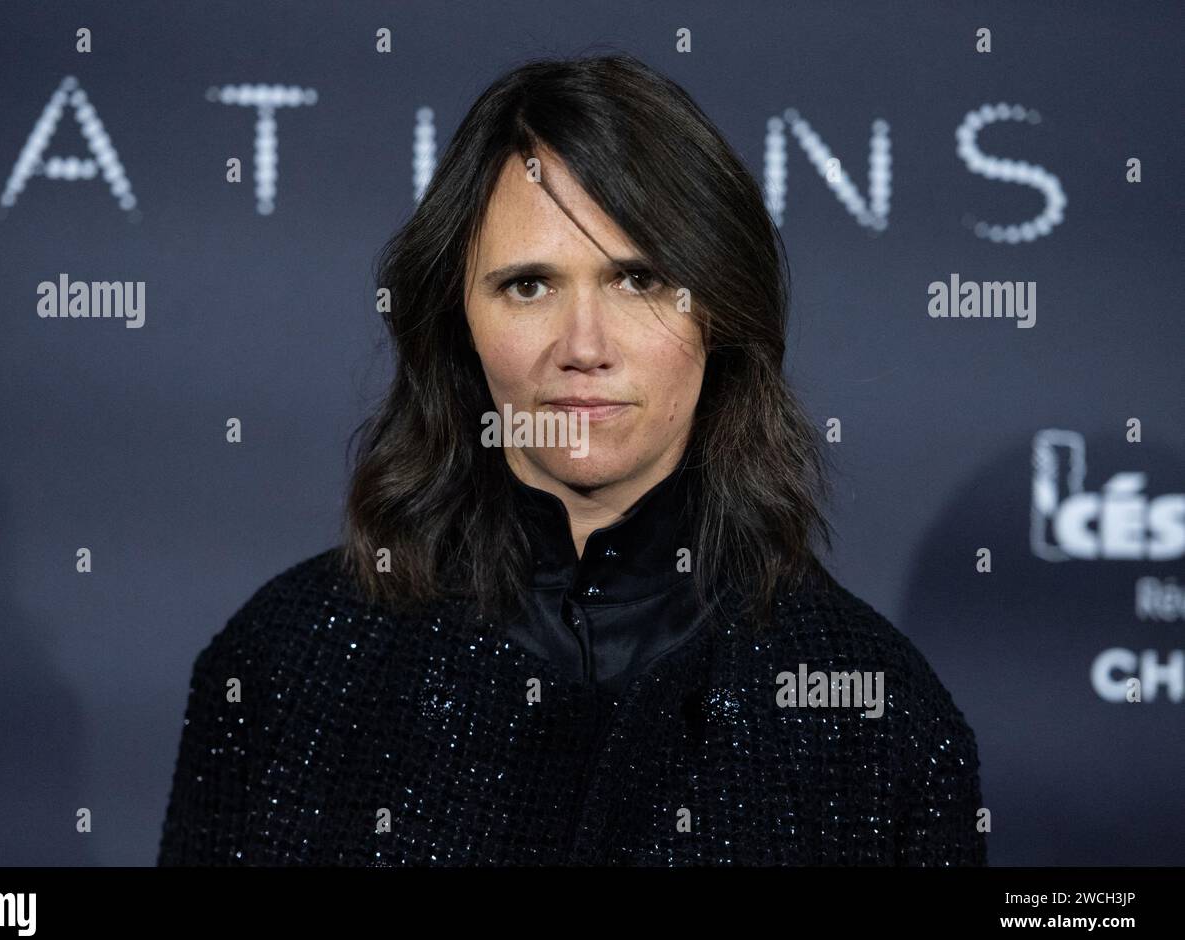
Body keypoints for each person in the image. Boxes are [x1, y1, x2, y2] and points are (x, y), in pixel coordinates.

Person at [157, 52, 987, 866]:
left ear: (721, 314)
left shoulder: (876, 716)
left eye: (639, 281)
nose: (584, 347)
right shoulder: (284, 663)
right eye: (528, 285)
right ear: (457, 322)